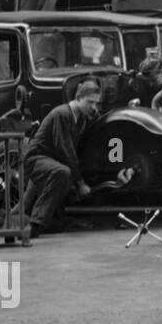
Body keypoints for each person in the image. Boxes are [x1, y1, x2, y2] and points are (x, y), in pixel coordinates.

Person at [21, 80, 101, 236]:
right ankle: (35, 224)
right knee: (62, 172)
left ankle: (53, 221)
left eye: (96, 103)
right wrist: (80, 182)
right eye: (90, 102)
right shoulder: (62, 114)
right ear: (78, 98)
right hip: (37, 159)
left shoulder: (82, 118)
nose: (93, 107)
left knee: (63, 172)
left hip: (52, 162)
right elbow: (65, 150)